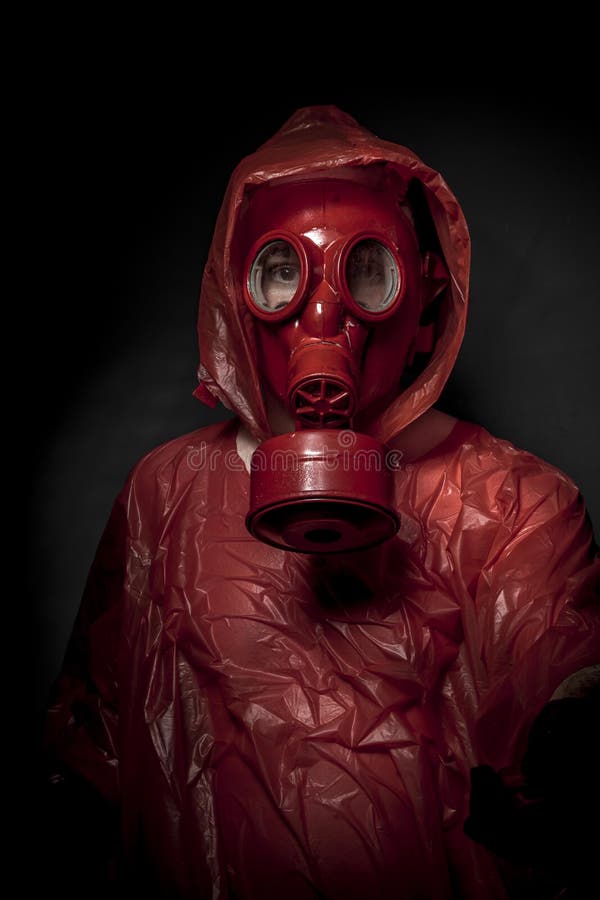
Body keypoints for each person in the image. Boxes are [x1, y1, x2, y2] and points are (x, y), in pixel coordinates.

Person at [43, 106, 599, 899]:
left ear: (424, 301)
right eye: (282, 273)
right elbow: (89, 752)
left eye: (368, 273)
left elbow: (555, 670)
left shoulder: (511, 505)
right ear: (238, 300)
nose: (322, 317)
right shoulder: (163, 494)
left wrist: (574, 725)